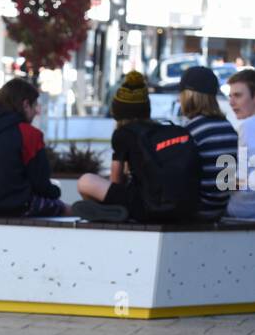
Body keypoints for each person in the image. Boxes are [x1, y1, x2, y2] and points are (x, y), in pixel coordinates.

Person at [73, 71, 199, 224]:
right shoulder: (164, 130)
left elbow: (116, 180)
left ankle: (110, 212)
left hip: (147, 208)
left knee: (85, 181)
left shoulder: (123, 134)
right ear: (146, 109)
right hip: (183, 209)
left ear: (117, 112)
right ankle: (110, 212)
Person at [0, 78, 69, 218]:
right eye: (35, 105)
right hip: (18, 206)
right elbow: (40, 183)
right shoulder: (29, 134)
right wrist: (56, 192)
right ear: (25, 105)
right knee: (70, 210)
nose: (37, 111)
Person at [176, 66, 239, 222]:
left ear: (188, 95)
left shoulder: (192, 131)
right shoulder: (228, 128)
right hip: (220, 209)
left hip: (198, 212)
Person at [227, 67, 255, 218]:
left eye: (237, 96)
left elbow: (238, 180)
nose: (231, 102)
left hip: (242, 214)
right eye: (230, 96)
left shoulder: (247, 127)